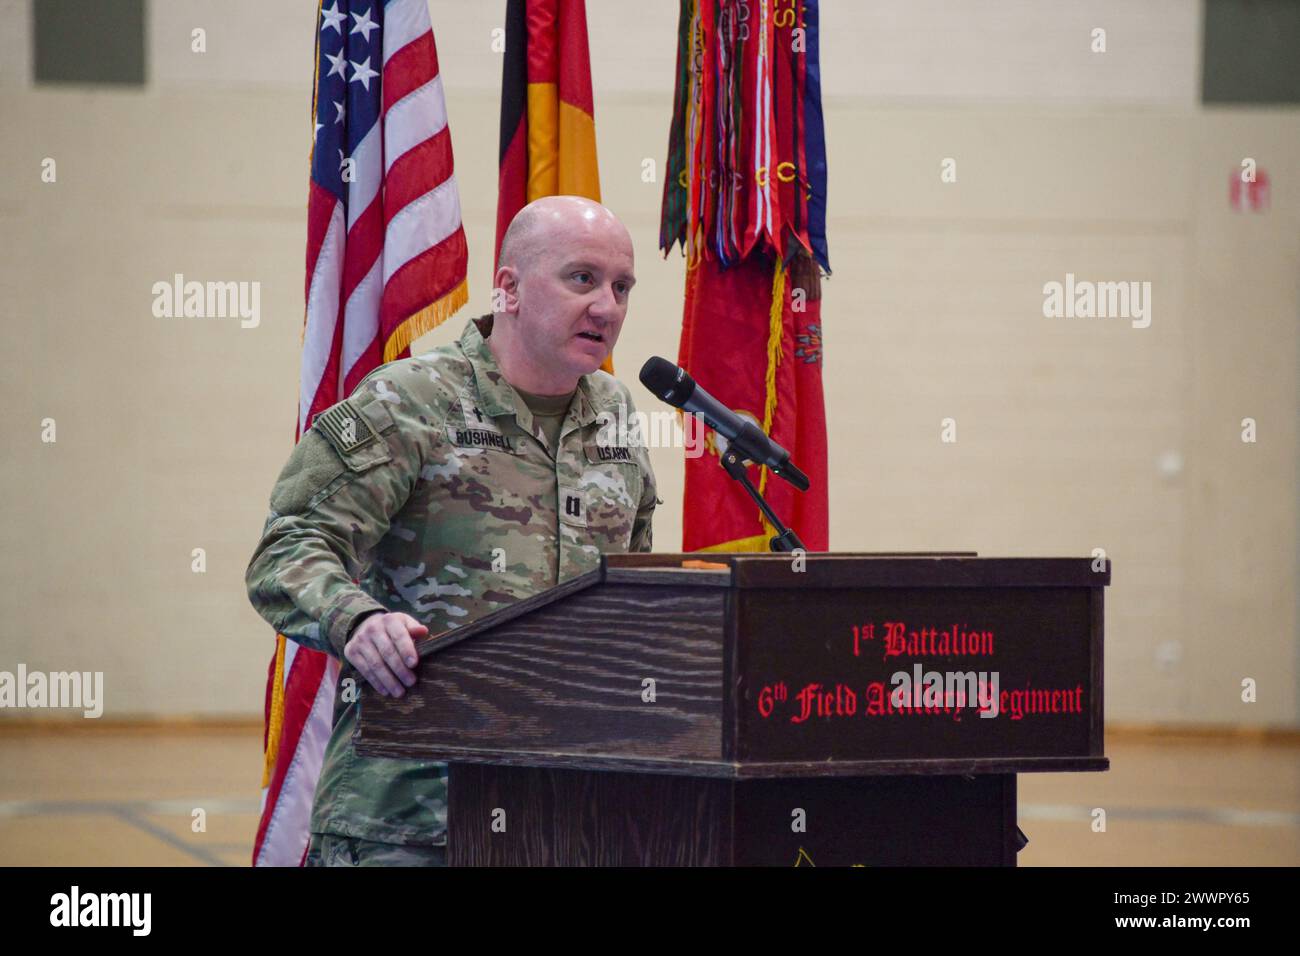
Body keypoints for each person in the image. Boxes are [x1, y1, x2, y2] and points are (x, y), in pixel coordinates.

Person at [244, 196, 658, 866]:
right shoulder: (412, 401)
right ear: (510, 288)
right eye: (582, 278)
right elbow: (287, 550)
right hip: (410, 819)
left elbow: (629, 596)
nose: (607, 306)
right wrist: (356, 619)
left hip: (568, 818)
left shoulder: (613, 414)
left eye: (621, 286)